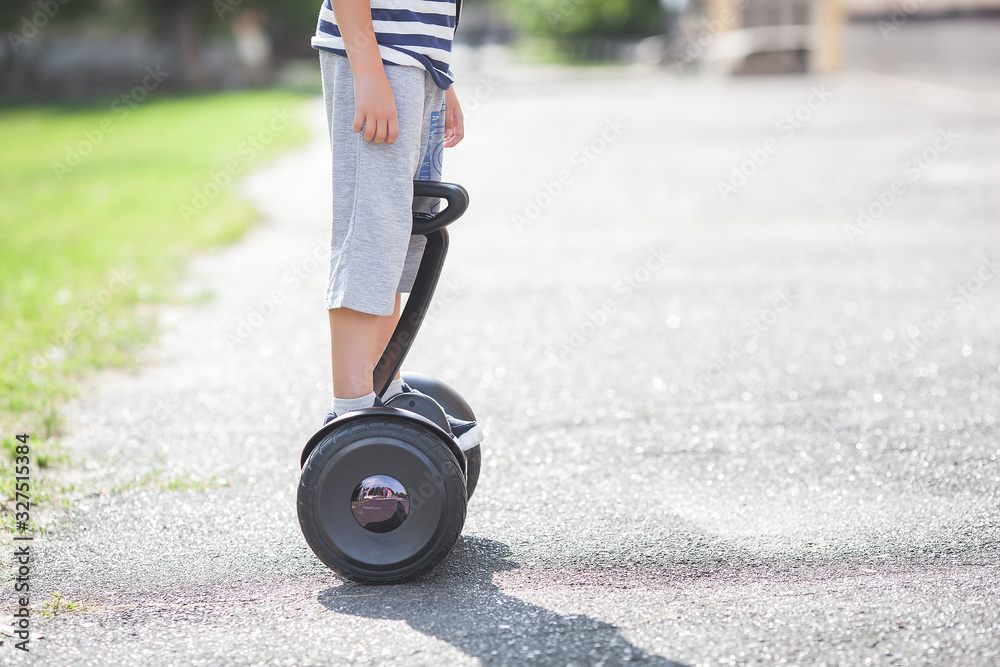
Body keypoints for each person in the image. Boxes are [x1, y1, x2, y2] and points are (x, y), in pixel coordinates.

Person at [312, 0, 482, 450]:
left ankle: (384, 391)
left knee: (396, 239)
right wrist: (368, 69)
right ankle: (351, 417)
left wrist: (440, 76)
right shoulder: (373, 63)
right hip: (379, 55)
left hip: (416, 61)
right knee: (371, 232)